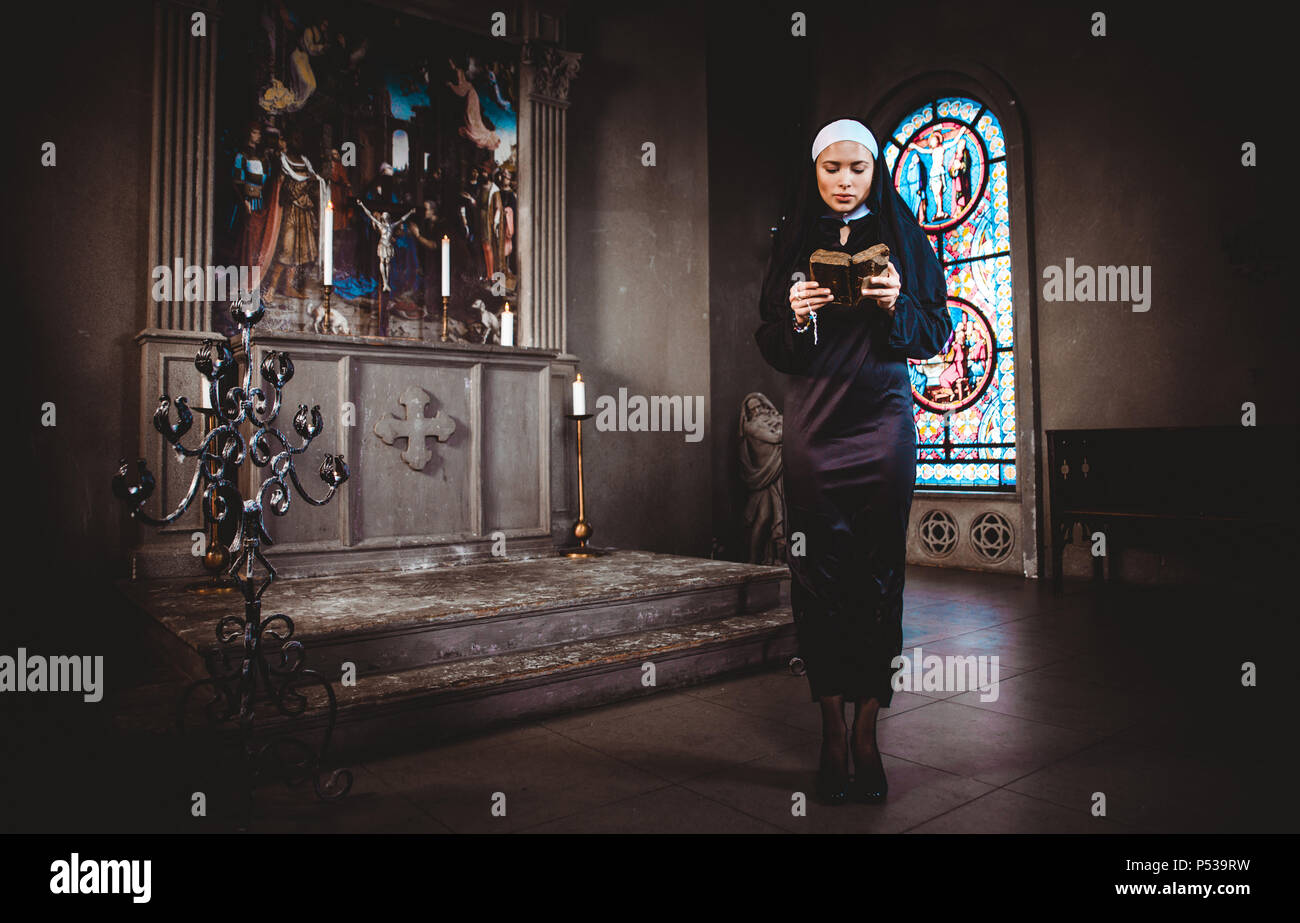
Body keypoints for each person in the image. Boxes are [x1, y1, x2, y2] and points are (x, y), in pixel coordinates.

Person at [754, 118, 954, 805]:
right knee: (815, 573)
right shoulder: (792, 241)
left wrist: (899, 302)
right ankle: (829, 726)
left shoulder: (906, 237)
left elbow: (936, 331)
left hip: (884, 421)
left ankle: (868, 727)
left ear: (876, 171)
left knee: (878, 571)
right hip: (814, 422)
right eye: (832, 169)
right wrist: (800, 314)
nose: (844, 182)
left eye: (857, 169)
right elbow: (773, 343)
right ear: (815, 172)